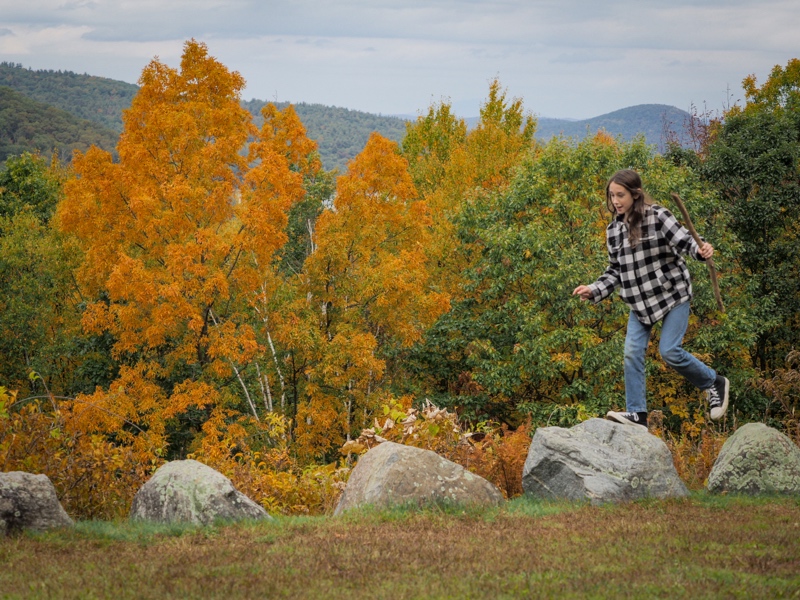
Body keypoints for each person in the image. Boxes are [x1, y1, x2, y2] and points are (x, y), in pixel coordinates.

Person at [572, 169, 729, 429]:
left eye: (620, 195)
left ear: (635, 194)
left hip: (672, 295)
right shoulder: (613, 230)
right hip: (640, 303)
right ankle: (638, 415)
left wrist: (702, 251)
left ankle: (714, 382)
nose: (615, 202)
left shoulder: (658, 216)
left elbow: (685, 241)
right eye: (611, 196)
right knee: (632, 353)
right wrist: (594, 289)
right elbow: (615, 271)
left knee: (669, 351)